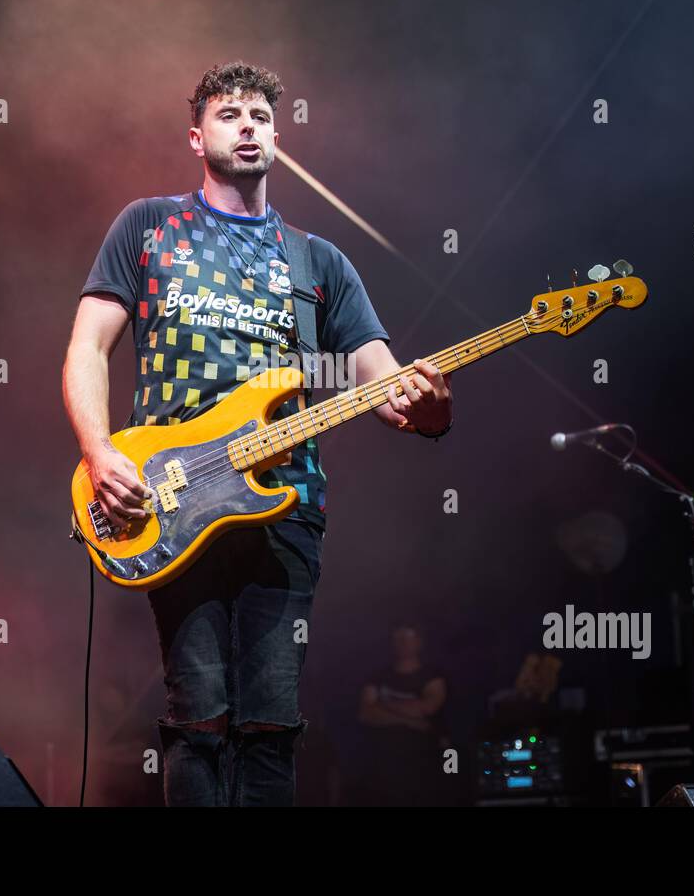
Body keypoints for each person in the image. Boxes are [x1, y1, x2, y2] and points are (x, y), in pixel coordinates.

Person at [63, 61, 454, 806]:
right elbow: (87, 347)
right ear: (196, 135)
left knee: (273, 722)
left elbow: (385, 383)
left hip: (285, 507)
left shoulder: (318, 262)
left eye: (262, 117)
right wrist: (100, 447)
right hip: (171, 498)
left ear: (279, 136)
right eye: (230, 114)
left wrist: (427, 413)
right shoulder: (148, 227)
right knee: (198, 715)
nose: (249, 127)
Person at [357, 623, 451, 805]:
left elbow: (427, 708)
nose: (403, 644)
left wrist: (382, 705)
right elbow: (366, 713)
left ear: (419, 642)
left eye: (408, 638)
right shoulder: (378, 676)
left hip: (423, 765)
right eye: (398, 639)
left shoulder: (433, 676)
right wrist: (409, 721)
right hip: (384, 766)